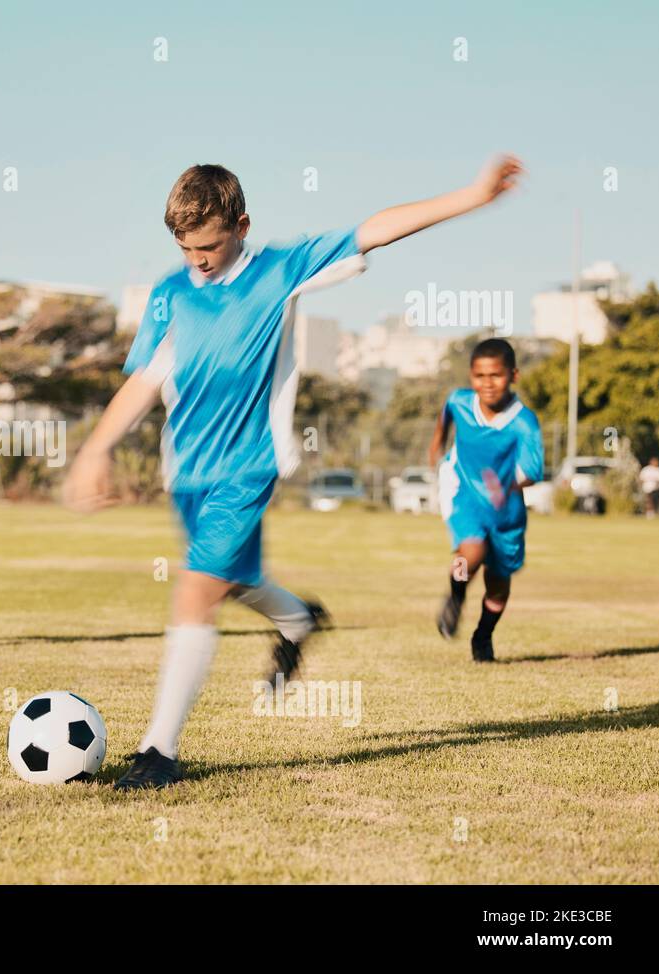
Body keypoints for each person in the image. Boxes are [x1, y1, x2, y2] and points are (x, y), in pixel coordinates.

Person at [63, 155, 524, 790]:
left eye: (210, 245)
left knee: (197, 589)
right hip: (187, 474)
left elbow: (374, 230)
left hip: (247, 467)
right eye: (185, 246)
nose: (198, 259)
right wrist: (97, 448)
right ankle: (300, 620)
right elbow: (146, 379)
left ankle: (159, 752)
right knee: (230, 580)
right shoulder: (170, 294)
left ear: (242, 224)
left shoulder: (280, 270)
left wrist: (472, 195)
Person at [430, 339, 543, 662]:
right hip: (464, 492)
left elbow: (532, 471)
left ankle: (483, 635)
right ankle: (455, 598)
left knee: (497, 585)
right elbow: (446, 416)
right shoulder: (460, 402)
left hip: (507, 511)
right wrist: (436, 445)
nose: (487, 383)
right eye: (480, 376)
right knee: (471, 551)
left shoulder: (524, 421)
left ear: (513, 375)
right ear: (471, 376)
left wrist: (507, 483)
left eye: (496, 375)